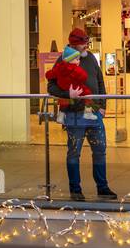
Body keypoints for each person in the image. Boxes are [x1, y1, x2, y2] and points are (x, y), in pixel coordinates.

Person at [46, 28, 116, 201]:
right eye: (83, 43)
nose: (86, 45)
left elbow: (100, 81)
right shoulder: (62, 60)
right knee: (73, 153)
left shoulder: (91, 57)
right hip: (74, 115)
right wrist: (67, 95)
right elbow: (51, 86)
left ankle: (102, 187)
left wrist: (102, 105)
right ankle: (75, 190)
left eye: (86, 42)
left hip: (94, 113)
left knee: (100, 150)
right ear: (73, 44)